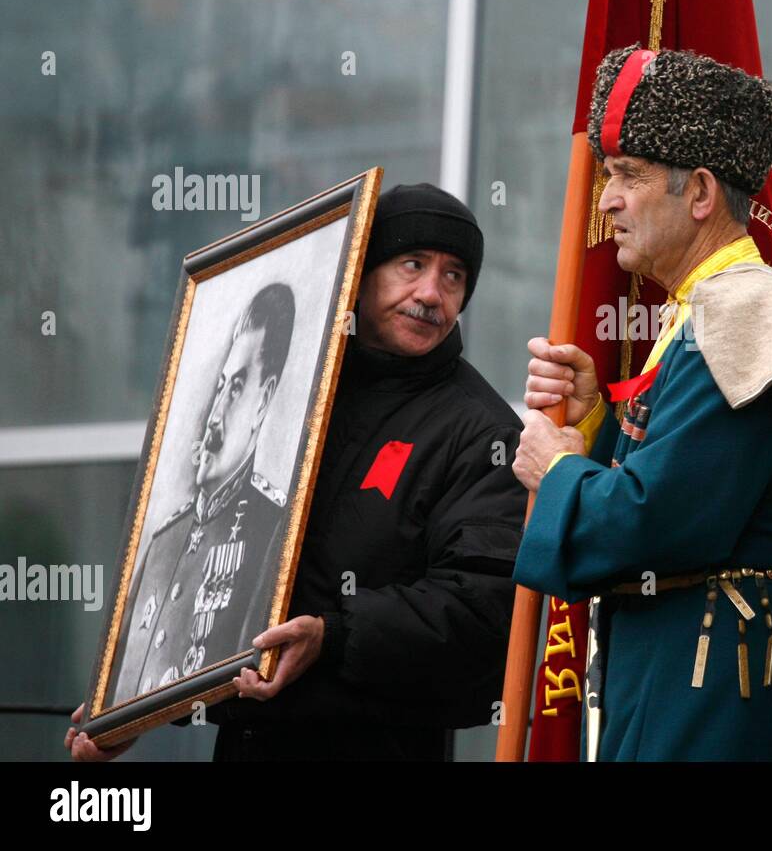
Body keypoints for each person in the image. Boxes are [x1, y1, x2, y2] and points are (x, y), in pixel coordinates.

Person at [68, 183, 527, 761]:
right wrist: (136, 704)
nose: (431, 294)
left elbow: (485, 618)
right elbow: (231, 600)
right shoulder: (310, 392)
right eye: (412, 264)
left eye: (454, 276)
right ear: (360, 271)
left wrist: (335, 636)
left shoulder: (482, 432)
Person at [511, 45, 772, 761]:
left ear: (701, 194)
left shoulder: (743, 310)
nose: (606, 201)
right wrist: (595, 424)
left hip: (715, 670)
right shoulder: (710, 309)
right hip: (693, 660)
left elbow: (660, 521)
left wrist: (555, 471)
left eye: (628, 176)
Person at [110, 282, 294, 704]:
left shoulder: (274, 532)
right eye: (221, 385)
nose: (215, 415)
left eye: (236, 389)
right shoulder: (161, 542)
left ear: (263, 401)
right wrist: (109, 714)